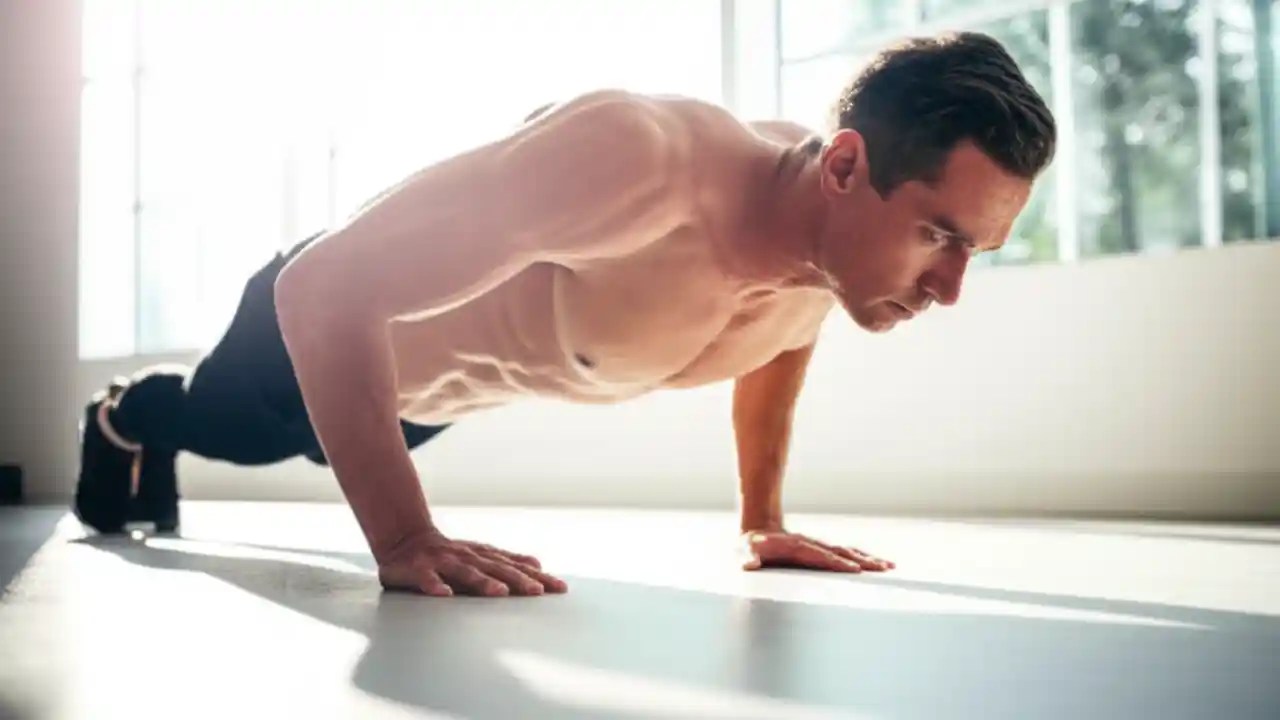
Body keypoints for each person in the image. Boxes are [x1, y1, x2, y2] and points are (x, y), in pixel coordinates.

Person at [74, 32, 1056, 598]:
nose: (949, 287)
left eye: (976, 249)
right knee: (225, 434)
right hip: (310, 339)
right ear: (844, 167)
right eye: (940, 237)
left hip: (413, 400)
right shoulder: (643, 161)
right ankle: (126, 418)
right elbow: (322, 293)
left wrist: (762, 521)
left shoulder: (834, 257)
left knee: (315, 449)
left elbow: (781, 341)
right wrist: (405, 539)